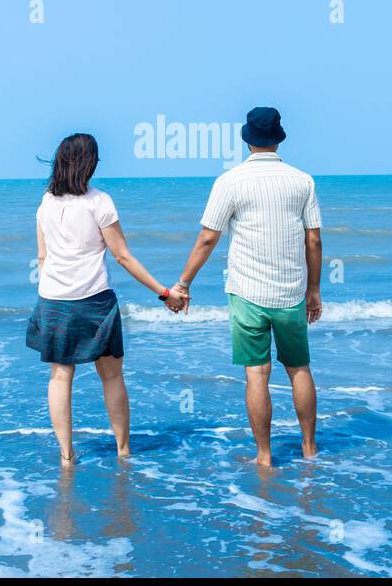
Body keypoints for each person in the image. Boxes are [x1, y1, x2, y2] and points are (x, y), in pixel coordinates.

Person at [171, 107, 322, 467]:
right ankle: (309, 449)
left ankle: (264, 457)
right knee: (299, 368)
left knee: (257, 374)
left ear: (247, 139)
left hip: (247, 294)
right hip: (290, 292)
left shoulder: (230, 181)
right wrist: (313, 291)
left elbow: (208, 238)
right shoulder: (303, 181)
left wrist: (183, 283)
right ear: (279, 138)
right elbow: (313, 240)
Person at [27, 133, 186, 465]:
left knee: (59, 376)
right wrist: (164, 293)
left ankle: (67, 456)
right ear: (90, 163)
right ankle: (123, 450)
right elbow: (123, 257)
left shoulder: (46, 203)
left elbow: (42, 257)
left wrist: (55, 289)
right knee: (112, 376)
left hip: (53, 299)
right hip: (95, 301)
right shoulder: (100, 202)